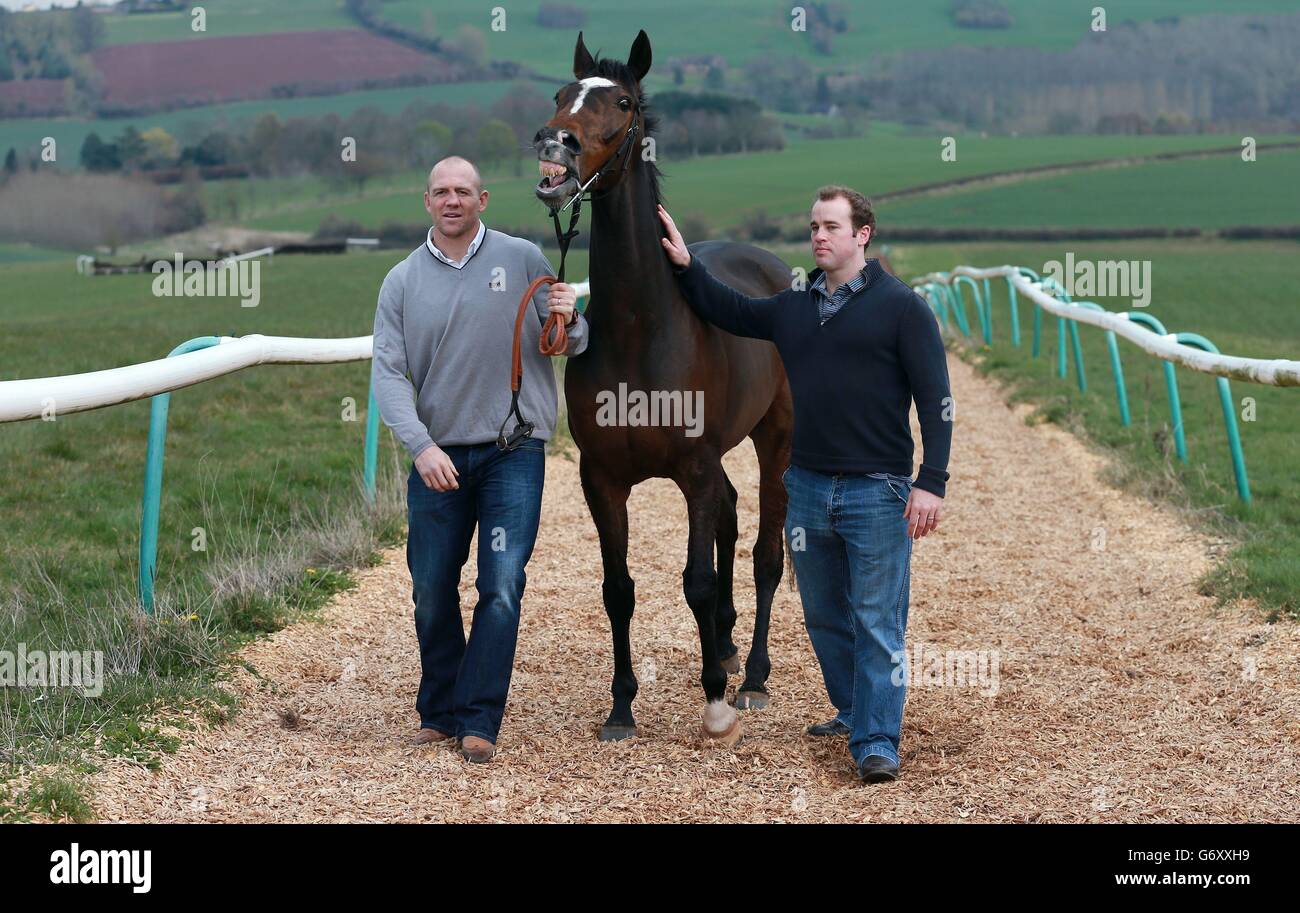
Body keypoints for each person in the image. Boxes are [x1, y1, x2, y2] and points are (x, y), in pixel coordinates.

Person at [657, 186, 952, 783]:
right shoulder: (795, 307)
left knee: (876, 619)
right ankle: (852, 709)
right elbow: (731, 311)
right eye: (814, 226)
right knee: (822, 613)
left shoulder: (902, 308)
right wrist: (688, 267)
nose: (819, 236)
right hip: (809, 489)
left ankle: (876, 739)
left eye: (832, 227)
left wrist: (932, 482)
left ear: (861, 234)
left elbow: (936, 400)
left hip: (879, 489)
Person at [371, 156, 587, 763]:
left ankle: (478, 717)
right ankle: (438, 709)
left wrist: (570, 317)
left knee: (500, 586)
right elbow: (387, 374)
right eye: (441, 191)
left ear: (483, 199)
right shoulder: (401, 282)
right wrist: (421, 446)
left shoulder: (522, 259)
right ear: (427, 201)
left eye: (463, 191)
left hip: (512, 451)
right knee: (431, 590)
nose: (452, 200)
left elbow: (568, 342)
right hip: (438, 457)